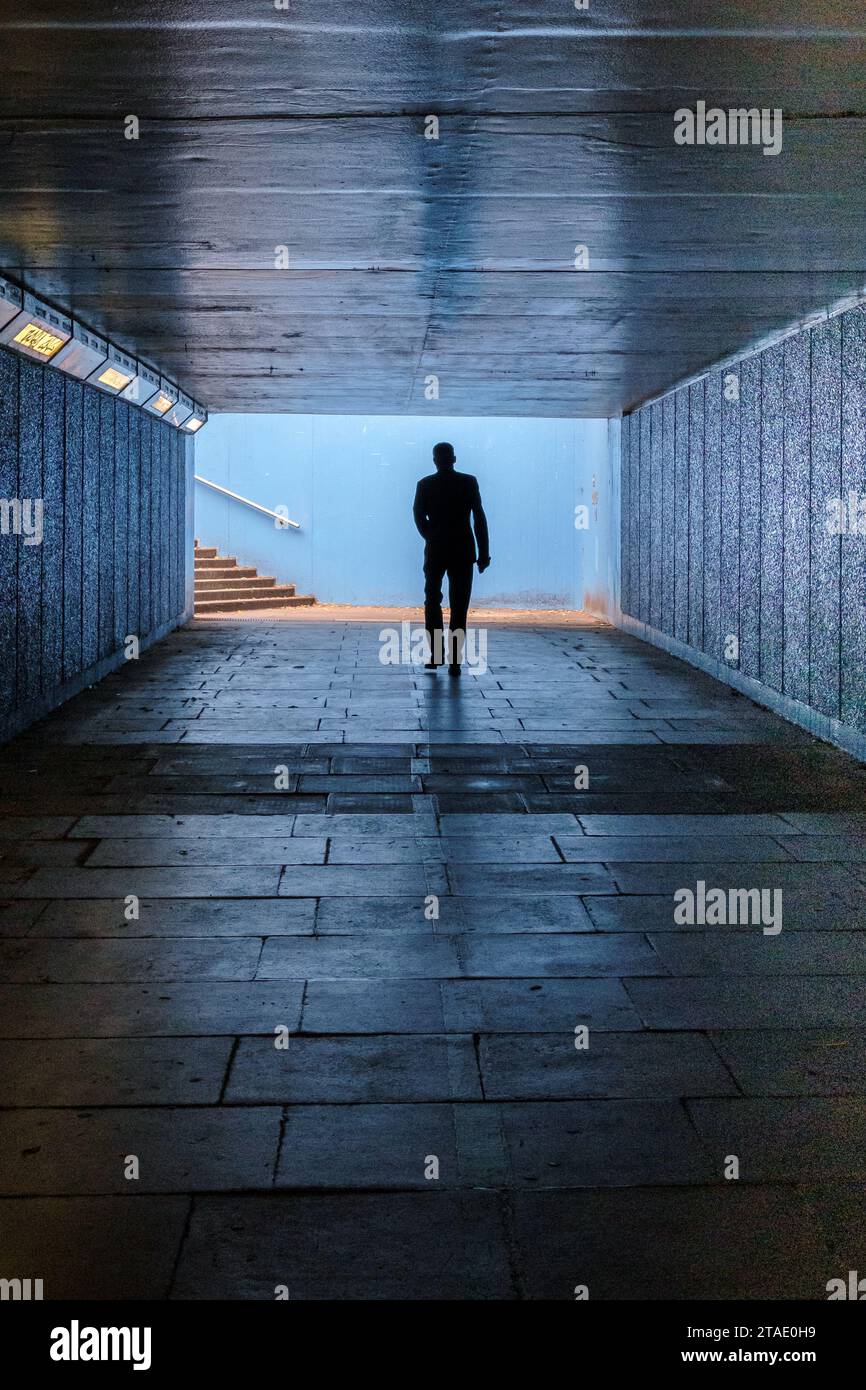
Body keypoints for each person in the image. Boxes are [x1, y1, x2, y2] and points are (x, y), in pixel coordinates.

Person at [412, 442, 490, 675]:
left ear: (434, 460)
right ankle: (455, 660)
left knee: (432, 602)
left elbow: (418, 515)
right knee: (459, 606)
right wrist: (484, 553)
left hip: (436, 550)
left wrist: (431, 536)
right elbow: (479, 518)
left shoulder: (425, 484)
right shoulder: (468, 482)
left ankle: (435, 655)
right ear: (454, 459)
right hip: (463, 549)